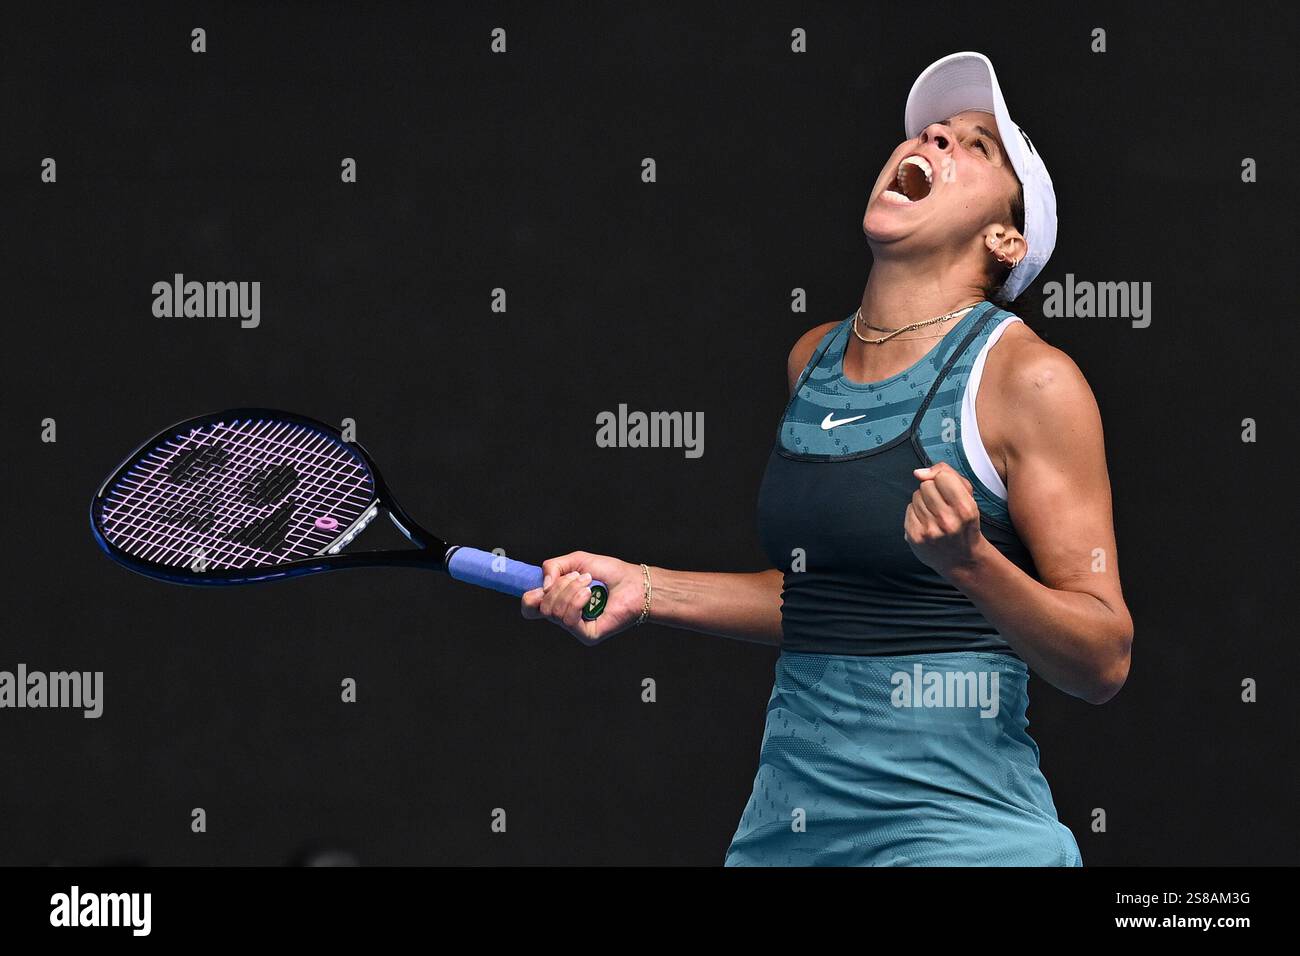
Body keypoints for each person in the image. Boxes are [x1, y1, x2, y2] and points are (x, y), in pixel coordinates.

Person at [522, 52, 1132, 866]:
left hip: (961, 841)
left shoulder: (1031, 379)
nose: (938, 135)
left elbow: (1101, 657)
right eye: (932, 131)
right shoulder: (811, 358)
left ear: (1005, 237)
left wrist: (974, 562)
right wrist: (650, 587)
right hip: (790, 833)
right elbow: (827, 598)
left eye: (977, 148)